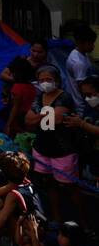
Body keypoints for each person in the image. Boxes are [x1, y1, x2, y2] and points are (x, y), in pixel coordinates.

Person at [26, 64, 86, 227]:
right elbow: (28, 121)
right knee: (49, 184)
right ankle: (57, 218)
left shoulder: (64, 97)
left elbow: (56, 120)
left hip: (63, 150)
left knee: (69, 187)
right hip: (42, 148)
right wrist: (45, 114)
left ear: (57, 80)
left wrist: (39, 116)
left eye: (49, 79)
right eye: (41, 80)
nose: (45, 83)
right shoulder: (38, 98)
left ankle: (83, 222)